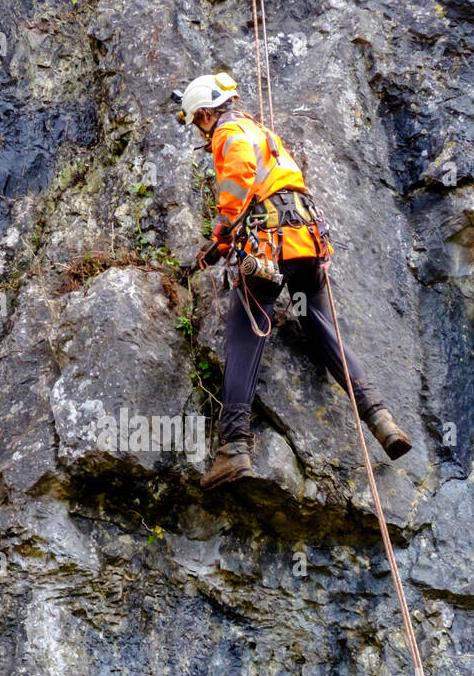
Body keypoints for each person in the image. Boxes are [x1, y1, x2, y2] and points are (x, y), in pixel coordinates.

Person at [176, 71, 412, 491]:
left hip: (269, 246)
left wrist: (222, 230)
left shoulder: (230, 132)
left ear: (208, 113)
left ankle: (234, 447)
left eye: (198, 120)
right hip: (306, 243)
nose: (201, 128)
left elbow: (239, 173)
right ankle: (381, 419)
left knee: (245, 337)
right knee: (320, 328)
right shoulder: (263, 132)